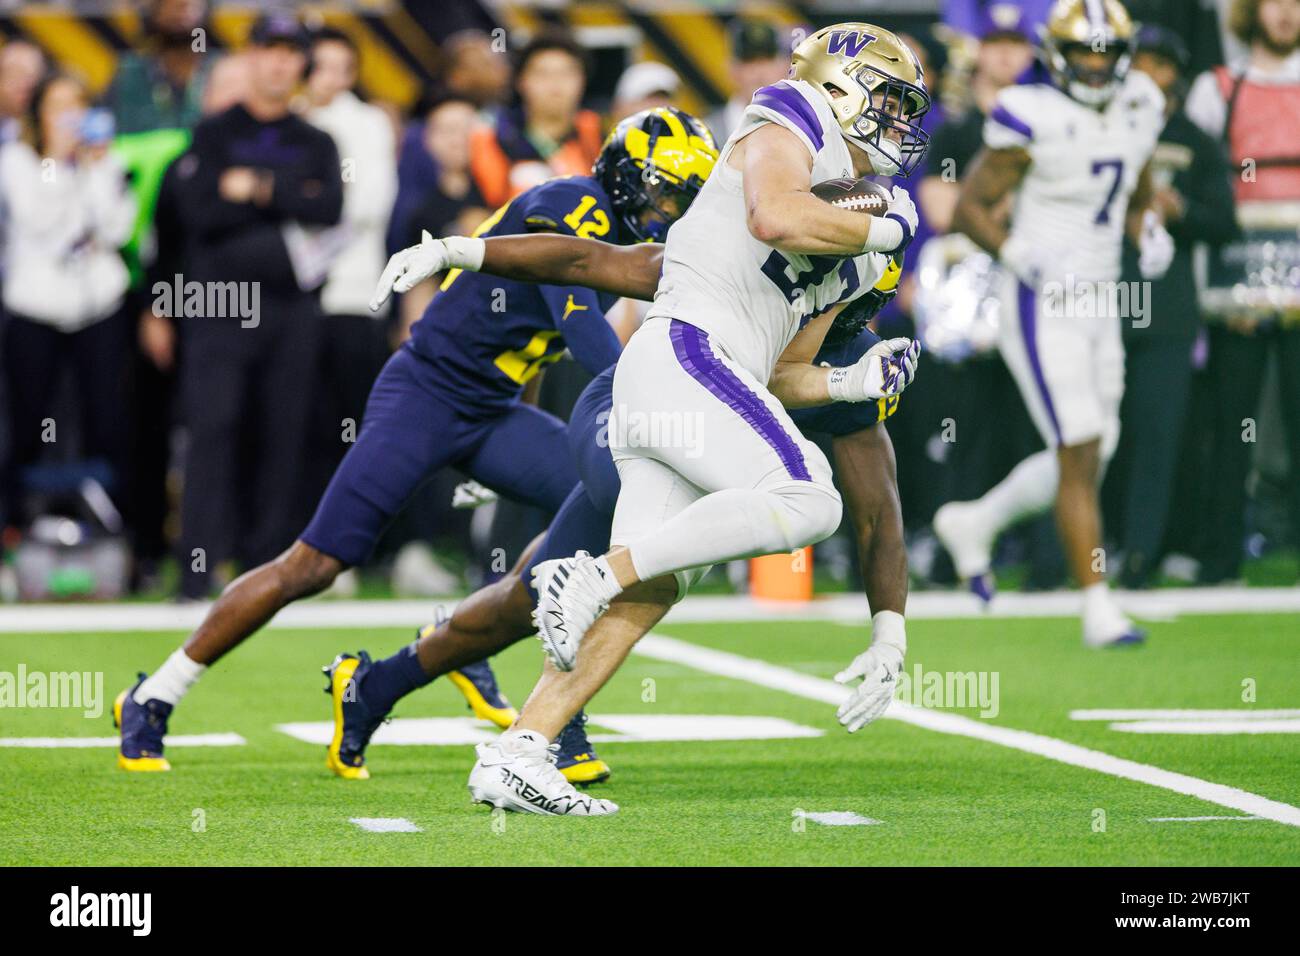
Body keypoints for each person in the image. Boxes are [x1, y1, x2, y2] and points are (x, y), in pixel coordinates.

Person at [113, 108, 719, 778]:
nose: (671, 211)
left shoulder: (623, 238)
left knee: (595, 510)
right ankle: (156, 692)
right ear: (628, 179)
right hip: (427, 395)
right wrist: (632, 401)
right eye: (665, 193)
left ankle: (517, 684)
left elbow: (535, 351)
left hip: (491, 410)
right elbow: (575, 320)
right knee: (315, 563)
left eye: (683, 200)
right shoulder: (572, 204)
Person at [453, 23, 926, 815]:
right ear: (841, 84)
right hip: (685, 355)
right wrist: (887, 222)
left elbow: (785, 375)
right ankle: (589, 576)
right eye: (889, 99)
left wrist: (855, 377)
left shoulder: (857, 248)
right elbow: (776, 216)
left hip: (697, 380)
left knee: (653, 585)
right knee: (809, 499)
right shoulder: (792, 112)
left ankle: (520, 748)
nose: (901, 123)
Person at [328, 223, 912, 794]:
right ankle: (572, 667)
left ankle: (395, 690)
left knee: (543, 595)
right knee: (624, 567)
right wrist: (465, 251)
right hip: (631, 414)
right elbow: (587, 262)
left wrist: (890, 634)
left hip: (695, 459)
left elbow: (876, 513)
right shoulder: (738, 265)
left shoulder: (853, 360)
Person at [935, 0, 1173, 646]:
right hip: (1042, 302)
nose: (1095, 66)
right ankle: (1097, 603)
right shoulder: (1029, 113)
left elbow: (1134, 178)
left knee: (1096, 449)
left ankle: (974, 522)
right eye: (1083, 53)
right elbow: (969, 207)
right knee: (1078, 446)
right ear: (1058, 54)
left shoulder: (1141, 103)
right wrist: (1021, 257)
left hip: (1102, 298)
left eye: (1105, 53)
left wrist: (1146, 225)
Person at [1106, 25, 1239, 587]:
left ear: (1175, 77)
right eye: (1140, 61)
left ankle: (1141, 555)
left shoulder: (1194, 139)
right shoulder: (1096, 127)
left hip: (1165, 308)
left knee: (1159, 432)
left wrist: (1180, 208)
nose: (1148, 74)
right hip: (1098, 300)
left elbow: (1224, 222)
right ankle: (1080, 550)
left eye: (1161, 65)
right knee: (1098, 431)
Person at [1183, 0, 1300, 583]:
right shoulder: (1216, 88)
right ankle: (1220, 558)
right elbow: (1200, 192)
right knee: (1231, 426)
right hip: (1237, 284)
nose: (1285, 13)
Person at [1, 73, 137, 530]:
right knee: (27, 422)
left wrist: (95, 169)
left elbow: (118, 229)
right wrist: (59, 162)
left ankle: (119, 536)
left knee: (110, 419)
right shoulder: (18, 161)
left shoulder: (105, 162)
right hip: (35, 307)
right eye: (57, 106)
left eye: (77, 106)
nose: (68, 117)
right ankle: (16, 527)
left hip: (98, 305)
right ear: (39, 113)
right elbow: (38, 223)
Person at [301, 27, 398, 503]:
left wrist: (302, 206)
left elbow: (368, 204)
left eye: (340, 67)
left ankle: (351, 541)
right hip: (296, 296)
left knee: (352, 424)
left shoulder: (367, 123)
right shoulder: (292, 119)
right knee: (301, 422)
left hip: (353, 294)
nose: (327, 78)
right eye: (317, 65)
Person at [470, 30, 603, 207]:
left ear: (583, 80)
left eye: (566, 73)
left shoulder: (601, 138)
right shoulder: (493, 138)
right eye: (542, 73)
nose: (555, 83)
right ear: (521, 82)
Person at [107, 0, 212, 134]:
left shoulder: (220, 70)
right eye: (172, 6)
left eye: (190, 6)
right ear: (155, 14)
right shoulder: (131, 73)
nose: (182, 13)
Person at [707, 19, 790, 144]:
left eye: (768, 59)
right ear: (732, 69)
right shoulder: (707, 132)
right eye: (749, 60)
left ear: (786, 66)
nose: (759, 71)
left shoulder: (805, 130)